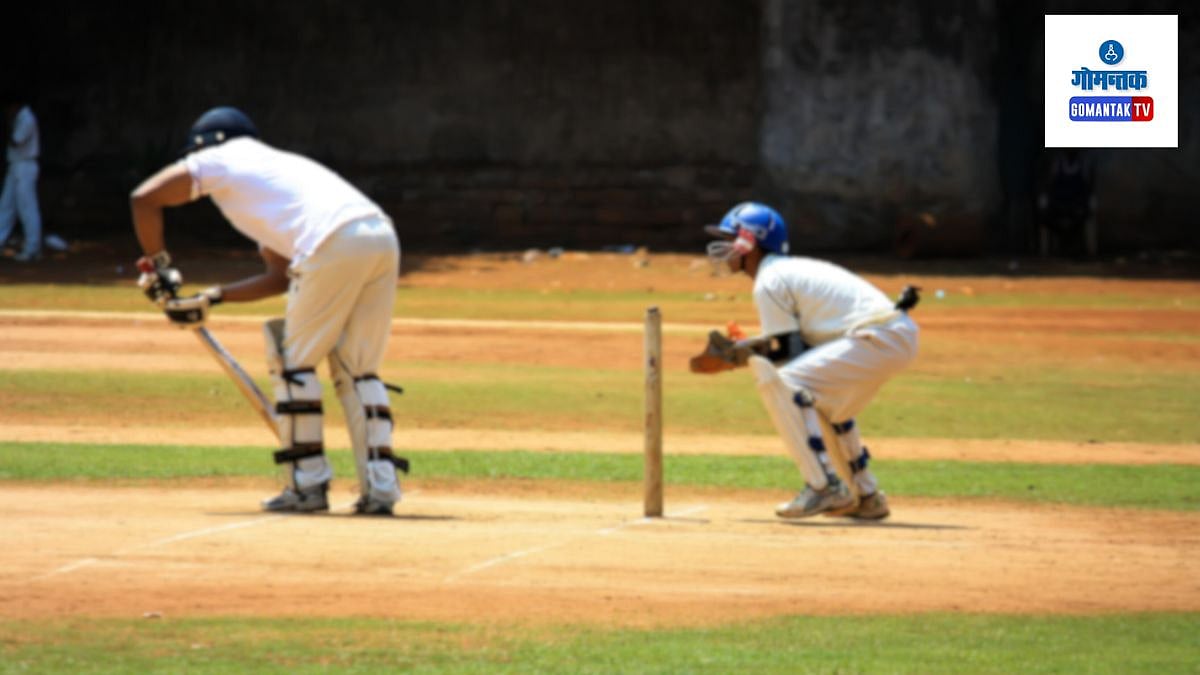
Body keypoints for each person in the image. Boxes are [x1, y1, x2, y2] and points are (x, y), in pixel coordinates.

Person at [130, 106, 406, 515]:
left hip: (332, 241)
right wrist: (212, 298)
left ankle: (306, 486)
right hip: (380, 236)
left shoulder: (220, 158)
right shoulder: (278, 175)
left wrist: (160, 266)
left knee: (294, 364)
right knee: (356, 368)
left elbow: (145, 198)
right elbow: (280, 276)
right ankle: (380, 489)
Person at [691, 202, 919, 520]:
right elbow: (800, 348)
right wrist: (742, 350)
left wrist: (733, 356)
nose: (724, 246)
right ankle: (865, 495)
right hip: (891, 336)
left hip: (877, 337)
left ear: (749, 242)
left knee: (787, 383)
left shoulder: (771, 280)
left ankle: (823, 488)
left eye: (730, 238)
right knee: (825, 403)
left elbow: (786, 356)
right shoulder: (785, 272)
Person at [0, 99, 42, 262]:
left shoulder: (26, 118)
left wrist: (5, 130)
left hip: (25, 166)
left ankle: (32, 248)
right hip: (15, 165)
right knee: (6, 205)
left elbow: (16, 141)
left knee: (27, 207)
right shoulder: (19, 118)